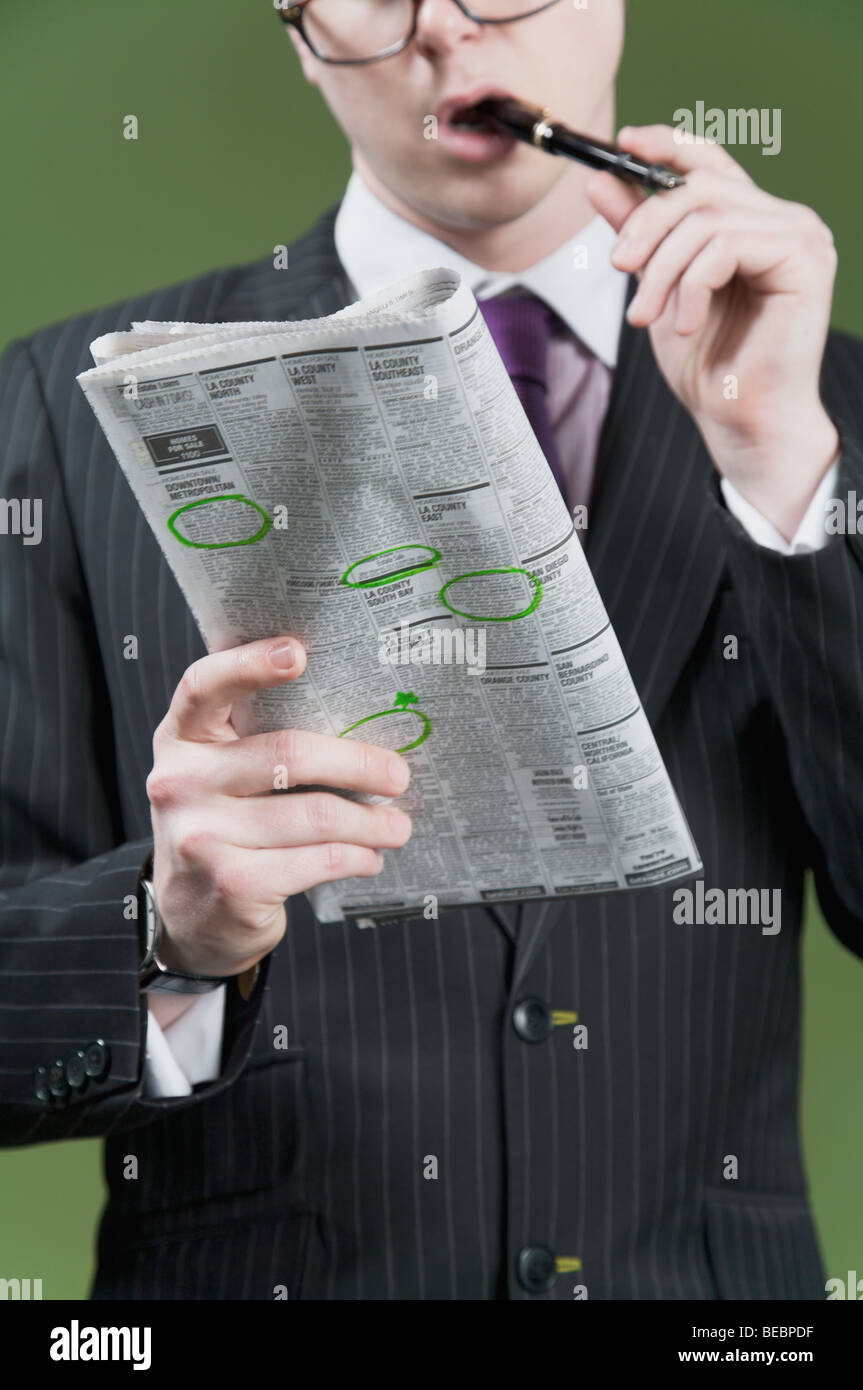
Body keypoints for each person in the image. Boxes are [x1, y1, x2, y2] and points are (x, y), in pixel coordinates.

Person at [1, 0, 861, 1301]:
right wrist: (168, 932)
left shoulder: (827, 407)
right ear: (297, 31)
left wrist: (784, 472)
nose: (450, 32)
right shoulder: (62, 411)